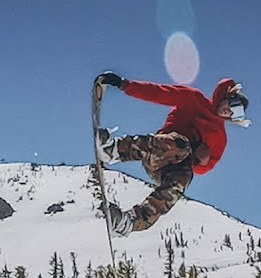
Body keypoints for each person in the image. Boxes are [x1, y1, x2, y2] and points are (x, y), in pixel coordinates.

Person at [94, 71, 250, 236]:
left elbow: (205, 168)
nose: (230, 112)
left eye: (237, 113)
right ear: (226, 95)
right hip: (157, 153)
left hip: (169, 171)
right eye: (234, 105)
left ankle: (129, 222)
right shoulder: (193, 99)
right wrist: (124, 84)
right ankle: (114, 150)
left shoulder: (220, 137)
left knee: (185, 176)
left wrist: (201, 161)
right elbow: (159, 93)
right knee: (181, 144)